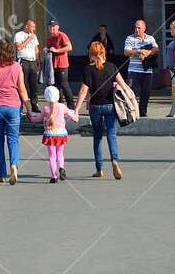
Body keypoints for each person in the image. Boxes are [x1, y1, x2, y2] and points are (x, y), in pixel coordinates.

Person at [72, 40, 125, 180]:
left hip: (95, 107)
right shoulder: (112, 67)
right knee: (111, 135)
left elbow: (84, 91)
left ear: (91, 54)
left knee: (97, 137)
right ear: (103, 53)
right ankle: (114, 160)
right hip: (110, 106)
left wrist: (76, 109)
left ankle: (99, 169)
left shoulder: (88, 69)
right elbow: (123, 85)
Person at [0, 39, 31, 185]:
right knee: (13, 139)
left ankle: (2, 173)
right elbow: (22, 89)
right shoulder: (17, 67)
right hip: (13, 107)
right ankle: (14, 165)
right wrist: (29, 108)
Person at [29, 85, 76, 183]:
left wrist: (30, 117)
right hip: (61, 133)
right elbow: (75, 119)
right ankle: (61, 167)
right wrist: (76, 116)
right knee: (60, 153)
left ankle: (54, 176)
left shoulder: (45, 108)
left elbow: (37, 119)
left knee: (52, 155)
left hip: (50, 134)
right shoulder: (62, 106)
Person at [122, 19, 158, 117]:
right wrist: (138, 52)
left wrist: (147, 53)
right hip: (134, 70)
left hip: (147, 70)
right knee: (131, 91)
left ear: (144, 28)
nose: (137, 30)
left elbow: (156, 48)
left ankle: (142, 111)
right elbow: (126, 52)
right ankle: (130, 110)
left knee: (146, 92)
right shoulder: (130, 38)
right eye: (135, 27)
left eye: (139, 28)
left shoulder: (150, 38)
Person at [46, 21, 74, 104]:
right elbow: (49, 49)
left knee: (64, 84)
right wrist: (46, 49)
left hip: (62, 64)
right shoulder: (49, 39)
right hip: (53, 65)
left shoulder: (62, 35)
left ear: (58, 27)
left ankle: (71, 105)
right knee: (56, 86)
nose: (52, 28)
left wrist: (56, 50)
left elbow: (69, 47)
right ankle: (59, 104)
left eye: (54, 26)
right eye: (50, 26)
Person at [13, 19, 40, 101]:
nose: (34, 29)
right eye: (32, 27)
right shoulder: (19, 35)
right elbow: (19, 47)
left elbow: (36, 49)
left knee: (34, 84)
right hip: (23, 61)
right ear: (26, 26)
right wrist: (28, 39)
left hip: (33, 61)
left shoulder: (34, 36)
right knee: (22, 83)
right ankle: (19, 105)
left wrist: (38, 63)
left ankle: (34, 104)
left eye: (34, 27)